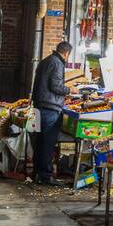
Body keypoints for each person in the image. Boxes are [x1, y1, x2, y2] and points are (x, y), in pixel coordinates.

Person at [30, 40, 71, 186]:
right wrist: (70, 90)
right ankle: (45, 176)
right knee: (47, 143)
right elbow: (55, 86)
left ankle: (37, 173)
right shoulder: (57, 63)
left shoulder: (45, 61)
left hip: (38, 107)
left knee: (39, 142)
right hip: (50, 108)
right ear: (66, 53)